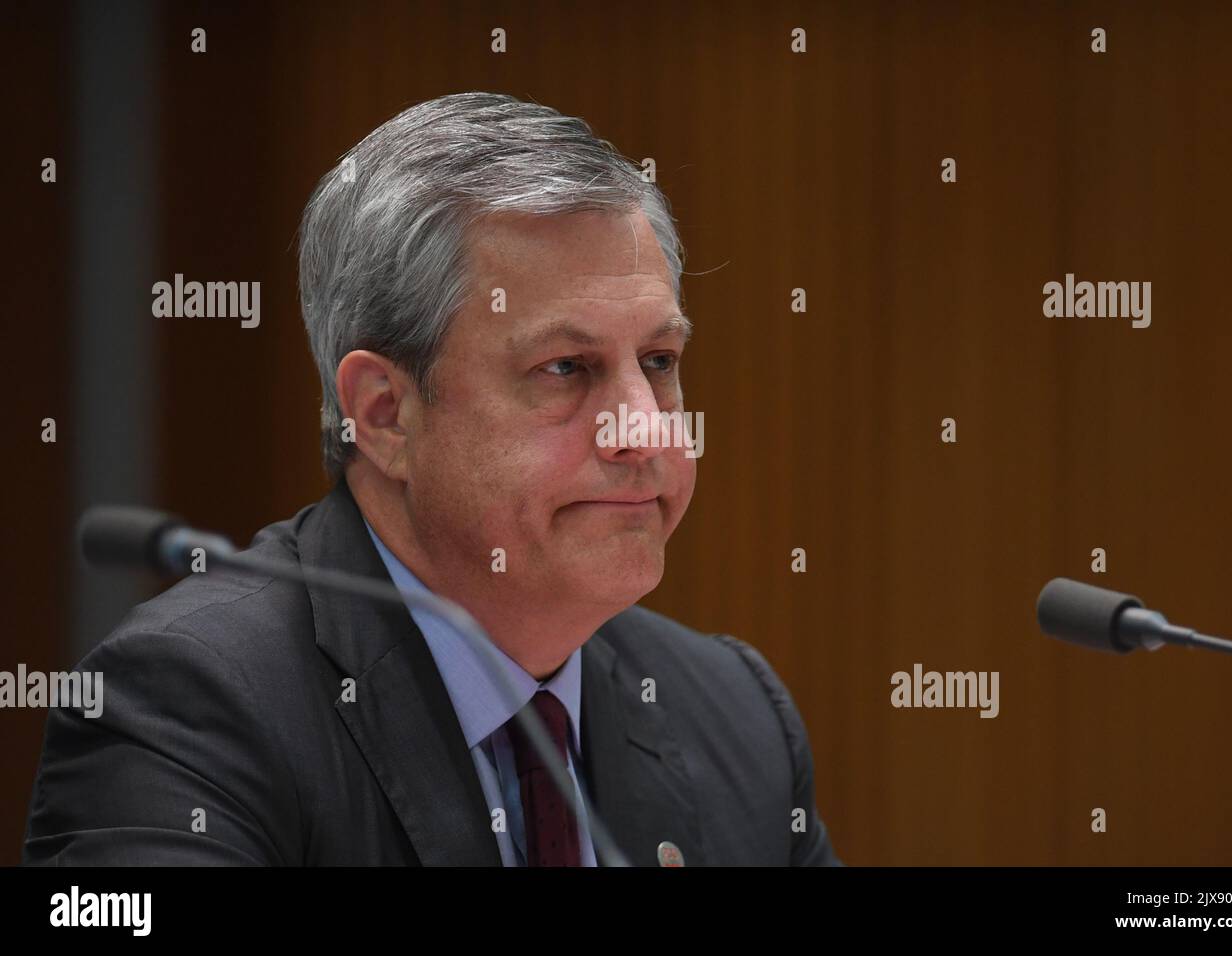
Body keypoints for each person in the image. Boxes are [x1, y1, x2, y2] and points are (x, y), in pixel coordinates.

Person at [23, 92, 840, 866]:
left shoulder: (734, 718)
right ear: (384, 415)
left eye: (658, 362)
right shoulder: (190, 708)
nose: (646, 429)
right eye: (565, 368)